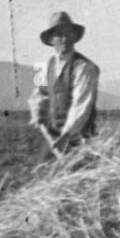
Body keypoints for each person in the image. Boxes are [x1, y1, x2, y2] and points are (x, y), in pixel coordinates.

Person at [28, 11, 100, 158]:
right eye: (59, 35)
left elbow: (81, 106)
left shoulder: (84, 68)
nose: (64, 39)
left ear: (74, 36)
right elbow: (38, 97)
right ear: (51, 39)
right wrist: (38, 115)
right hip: (53, 137)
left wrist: (66, 135)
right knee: (43, 175)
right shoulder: (42, 66)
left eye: (68, 33)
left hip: (78, 139)